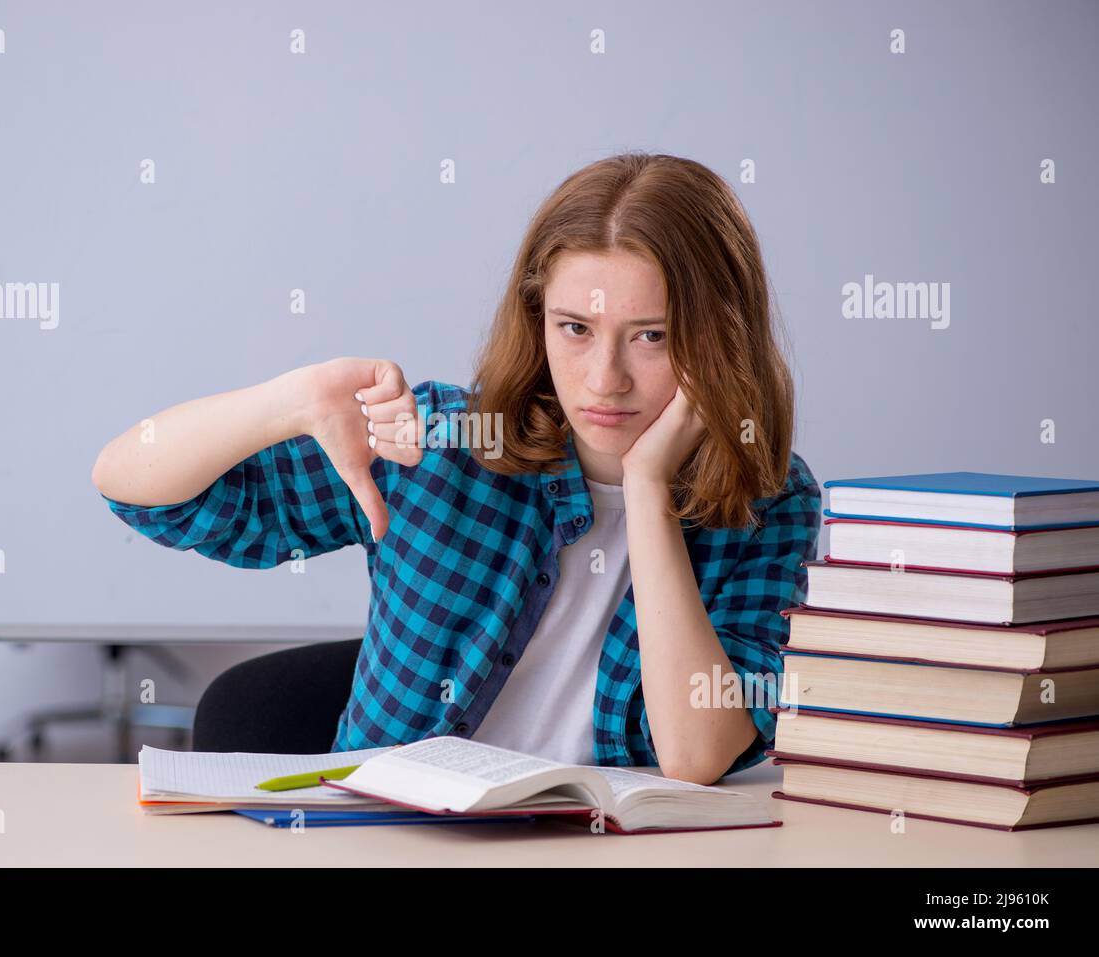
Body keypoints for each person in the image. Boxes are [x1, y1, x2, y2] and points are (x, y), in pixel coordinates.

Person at [91, 152, 821, 784]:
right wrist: (288, 400)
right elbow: (134, 487)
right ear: (538, 317)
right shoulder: (440, 442)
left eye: (652, 336)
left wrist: (648, 491)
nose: (604, 378)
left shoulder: (773, 501)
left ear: (720, 337)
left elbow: (696, 753)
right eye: (575, 328)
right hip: (396, 846)